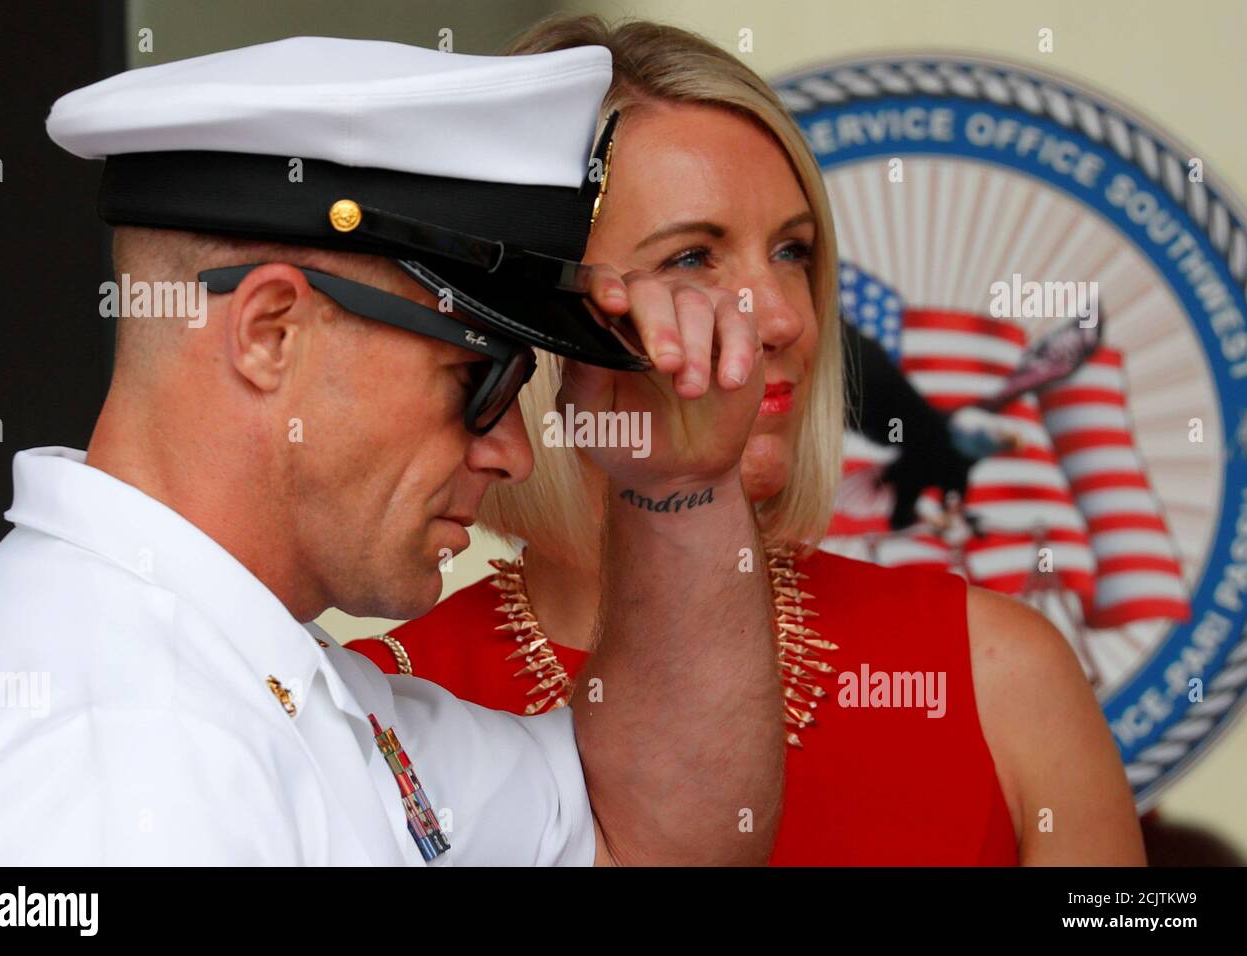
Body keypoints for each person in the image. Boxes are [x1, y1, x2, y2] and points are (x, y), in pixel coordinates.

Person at [0, 36, 785, 866]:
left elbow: (644, 835)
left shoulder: (235, 660)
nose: (513, 455)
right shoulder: (127, 753)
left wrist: (680, 482)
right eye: (479, 375)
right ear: (272, 333)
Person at [352, 16, 1146, 866]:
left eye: (794, 252)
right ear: (531, 316)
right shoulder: (379, 707)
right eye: (693, 259)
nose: (785, 317)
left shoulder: (995, 669)